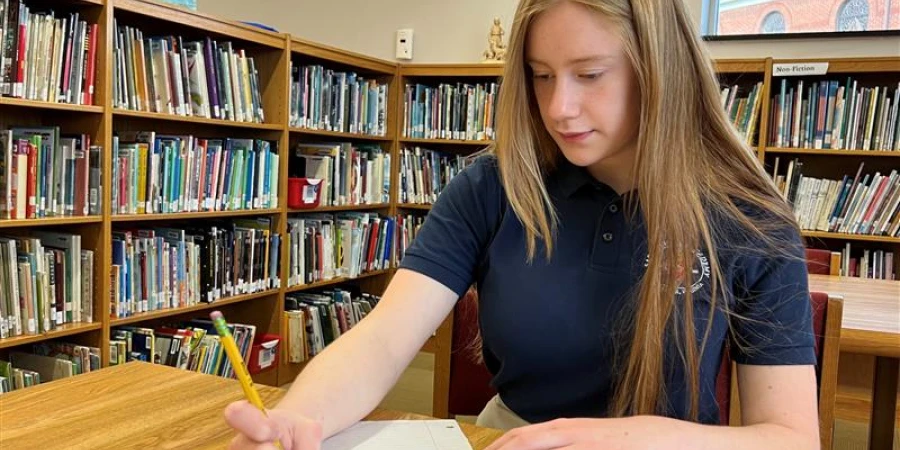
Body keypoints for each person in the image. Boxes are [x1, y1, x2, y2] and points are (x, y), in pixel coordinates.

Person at [224, 0, 821, 449]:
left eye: (590, 74)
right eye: (540, 74)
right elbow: (383, 341)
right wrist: (298, 419)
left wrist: (623, 438)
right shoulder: (493, 184)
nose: (559, 106)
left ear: (662, 71)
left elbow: (791, 437)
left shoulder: (750, 219)